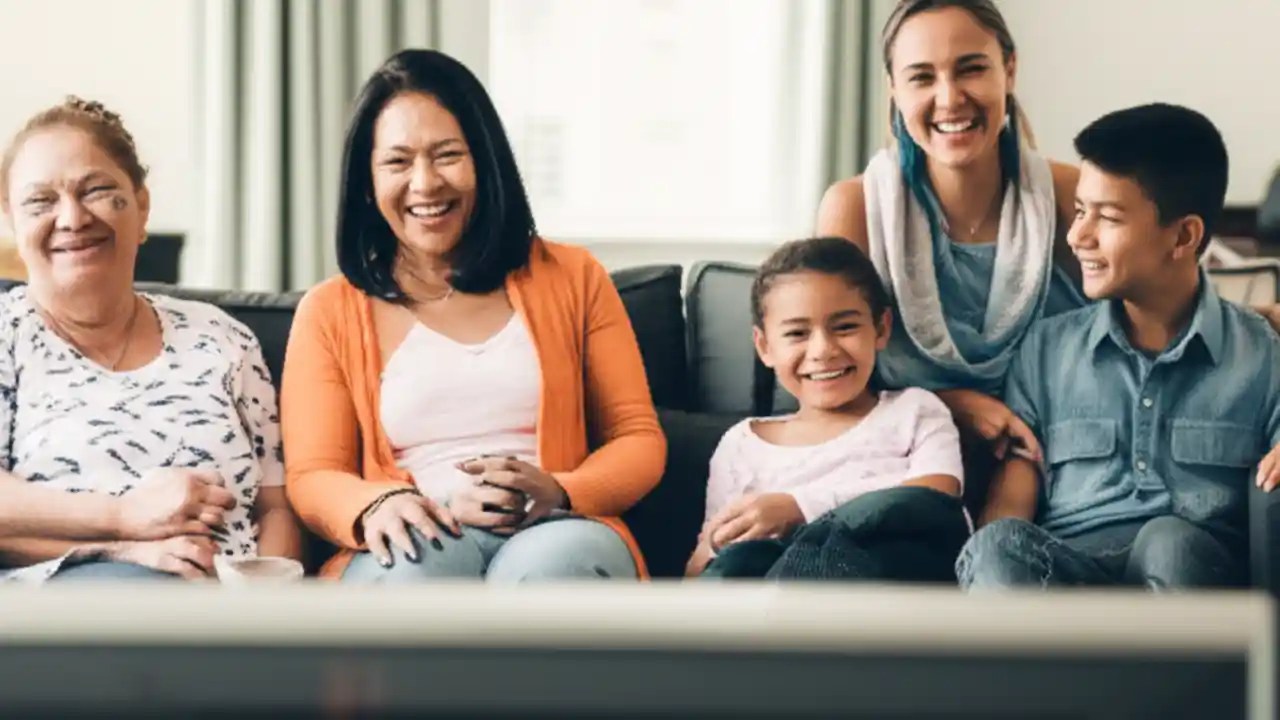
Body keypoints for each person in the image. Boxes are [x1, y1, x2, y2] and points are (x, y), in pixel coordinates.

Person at [281, 49, 666, 583]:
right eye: (397, 162)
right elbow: (313, 473)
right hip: (417, 532)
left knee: (557, 565)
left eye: (447, 155)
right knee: (417, 569)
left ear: (484, 162)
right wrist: (379, 503)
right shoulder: (329, 311)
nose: (425, 183)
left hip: (556, 526)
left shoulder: (574, 277)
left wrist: (560, 489)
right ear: (367, 183)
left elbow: (637, 436)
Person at [957, 103, 1280, 590]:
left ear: (1184, 236)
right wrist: (991, 551)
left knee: (1168, 542)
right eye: (1080, 211)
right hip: (1067, 571)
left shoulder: (1261, 353)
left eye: (1107, 218)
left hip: (1192, 582)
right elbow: (1014, 493)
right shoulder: (1045, 349)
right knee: (997, 544)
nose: (1077, 236)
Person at [0, 97, 300, 582]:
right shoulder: (6, 334)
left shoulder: (224, 338)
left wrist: (261, 598)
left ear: (141, 207)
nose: (72, 218)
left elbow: (276, 508)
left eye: (96, 190)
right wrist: (122, 527)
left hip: (231, 606)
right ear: (13, 220)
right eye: (41, 201)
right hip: (78, 604)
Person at [816, 0, 1089, 506]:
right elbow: (825, 384)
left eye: (971, 69)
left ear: (1009, 70)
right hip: (900, 475)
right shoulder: (854, 208)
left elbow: (1141, 343)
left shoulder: (1073, 197)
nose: (949, 98)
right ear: (894, 89)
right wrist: (947, 405)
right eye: (922, 77)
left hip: (1065, 475)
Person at [685, 237, 968, 580]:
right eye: (797, 333)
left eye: (845, 327)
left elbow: (936, 496)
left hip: (880, 577)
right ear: (764, 347)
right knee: (739, 560)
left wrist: (798, 508)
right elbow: (709, 555)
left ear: (881, 328)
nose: (823, 350)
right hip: (770, 590)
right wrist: (714, 550)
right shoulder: (741, 444)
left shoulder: (915, 411)